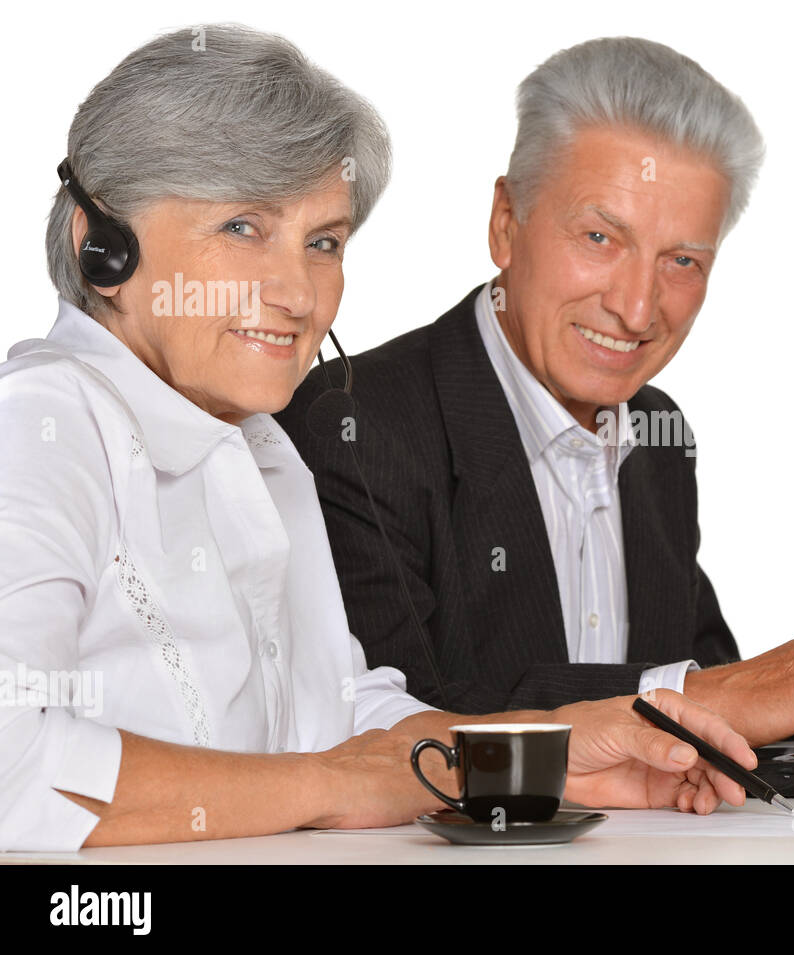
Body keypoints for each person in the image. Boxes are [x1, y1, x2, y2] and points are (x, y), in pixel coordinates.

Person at [0, 24, 755, 854]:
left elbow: (349, 703)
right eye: (243, 228)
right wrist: (329, 784)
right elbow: (11, 757)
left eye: (323, 242)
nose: (298, 294)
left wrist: (549, 758)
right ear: (100, 246)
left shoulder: (260, 449)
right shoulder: (40, 425)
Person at [278, 37, 794, 749]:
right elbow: (396, 723)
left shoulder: (659, 433)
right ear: (506, 224)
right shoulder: (353, 424)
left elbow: (720, 705)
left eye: (682, 260)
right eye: (600, 239)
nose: (639, 311)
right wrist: (720, 695)